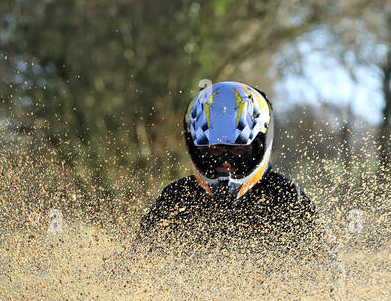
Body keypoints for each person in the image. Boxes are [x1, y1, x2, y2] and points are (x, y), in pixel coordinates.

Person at [136, 81, 335, 264]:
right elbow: (130, 266)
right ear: (195, 147)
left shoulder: (287, 197)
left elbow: (330, 271)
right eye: (214, 150)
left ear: (259, 146)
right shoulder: (177, 198)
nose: (225, 162)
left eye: (238, 151)